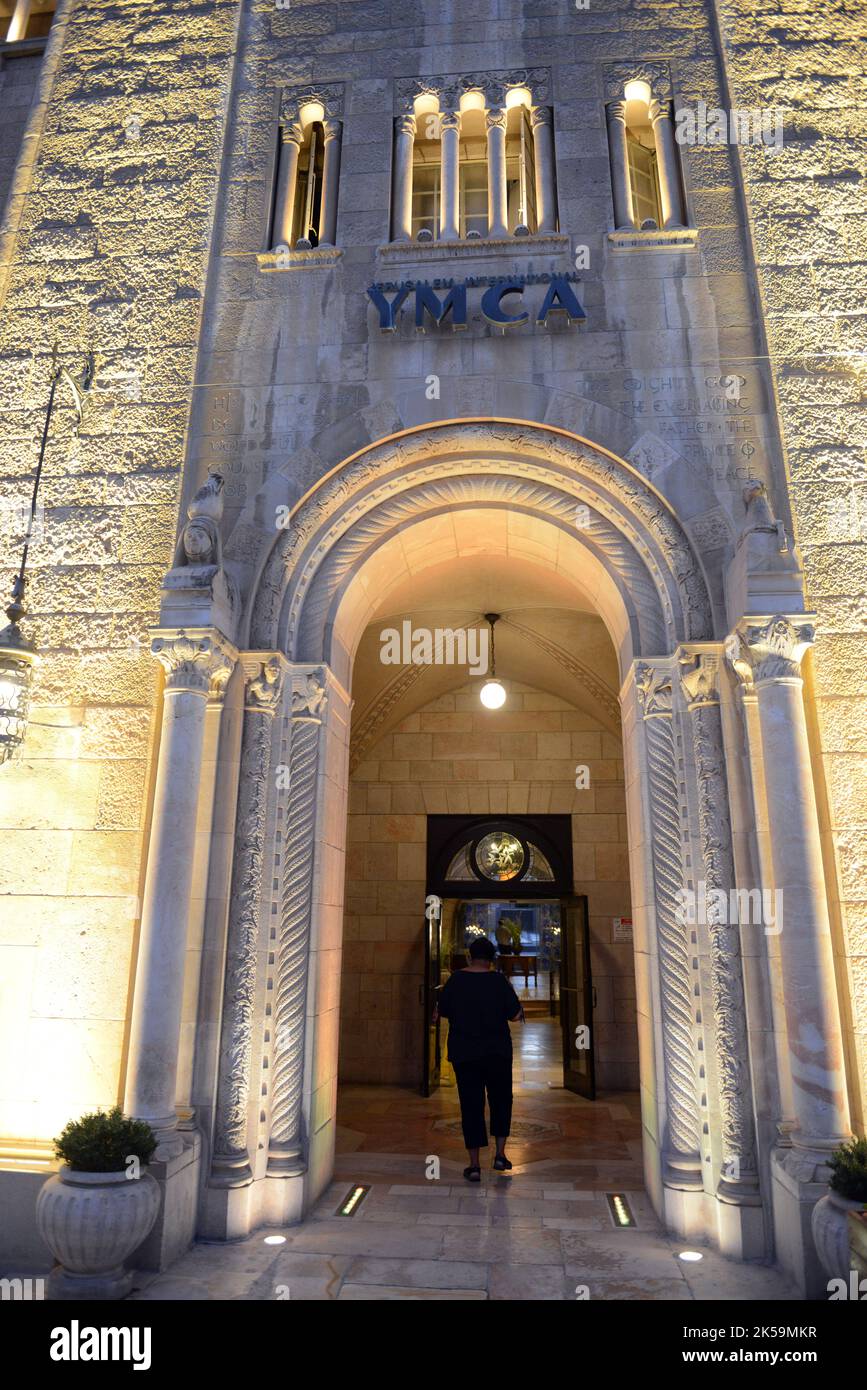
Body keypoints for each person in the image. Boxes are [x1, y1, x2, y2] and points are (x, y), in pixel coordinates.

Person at [435, 937, 524, 1182]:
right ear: (492, 958)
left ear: (470, 956)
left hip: (465, 1053)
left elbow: (440, 1012)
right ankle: (500, 1155)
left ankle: (474, 1165)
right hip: (497, 1052)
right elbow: (515, 1015)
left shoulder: (455, 980)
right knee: (501, 1101)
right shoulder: (498, 981)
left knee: (471, 1106)